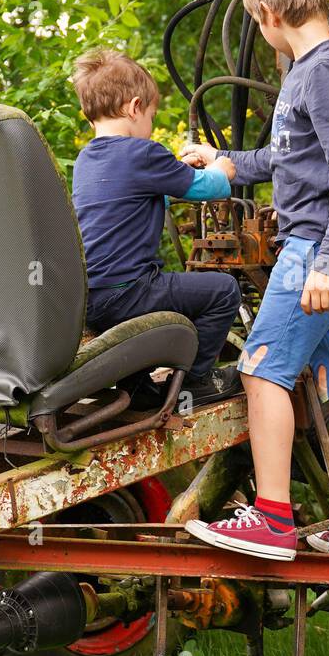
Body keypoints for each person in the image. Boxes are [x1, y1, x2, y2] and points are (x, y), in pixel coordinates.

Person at [181, 0, 329, 565]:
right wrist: (227, 165)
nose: (260, 32)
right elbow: (290, 159)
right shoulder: (308, 71)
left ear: (274, 13)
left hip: (316, 246)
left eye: (256, 21)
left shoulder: (324, 70)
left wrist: (328, 262)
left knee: (261, 371)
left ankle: (273, 519)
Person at [70, 47, 241, 403]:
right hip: (130, 292)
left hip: (89, 298)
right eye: (151, 114)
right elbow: (210, 187)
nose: (150, 124)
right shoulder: (143, 153)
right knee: (223, 291)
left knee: (142, 298)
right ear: (134, 107)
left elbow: (136, 197)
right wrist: (221, 168)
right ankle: (197, 381)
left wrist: (176, 172)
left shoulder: (87, 159)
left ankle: (140, 392)